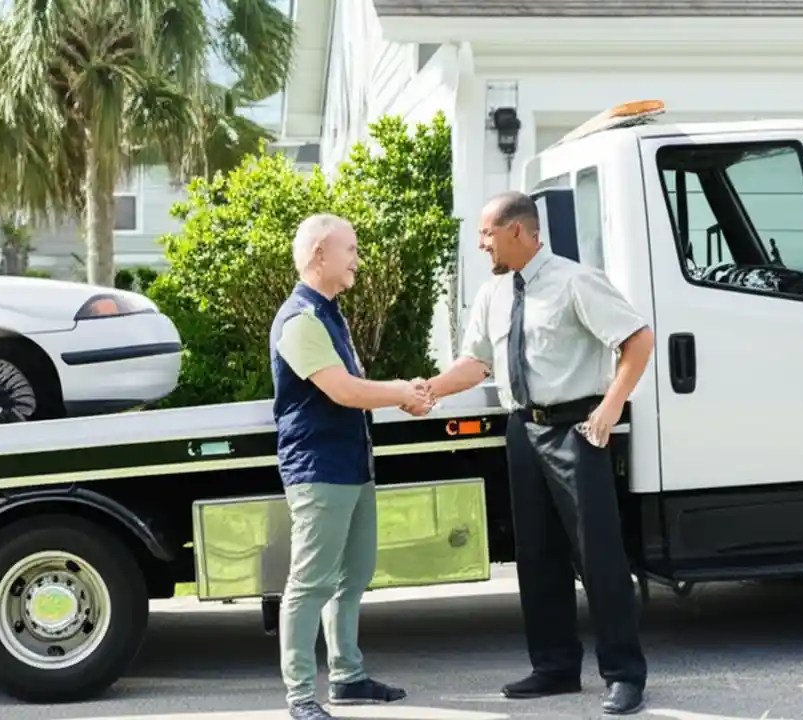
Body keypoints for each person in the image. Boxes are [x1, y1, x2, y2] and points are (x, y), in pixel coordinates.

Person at [421, 191, 654, 715]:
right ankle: (555, 668)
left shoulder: (576, 281)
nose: (481, 245)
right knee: (536, 554)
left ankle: (624, 674)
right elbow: (477, 363)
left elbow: (638, 340)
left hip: (576, 430)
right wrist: (429, 389)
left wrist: (611, 406)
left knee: (598, 556)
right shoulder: (493, 294)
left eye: (486, 234)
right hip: (522, 430)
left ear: (517, 231)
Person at [269, 213, 432, 720]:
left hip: (351, 466)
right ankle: (300, 696)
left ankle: (347, 677)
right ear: (320, 254)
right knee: (310, 583)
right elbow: (342, 390)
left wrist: (401, 394)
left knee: (352, 576)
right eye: (352, 250)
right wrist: (402, 392)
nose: (357, 259)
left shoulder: (329, 315)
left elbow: (352, 389)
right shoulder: (300, 319)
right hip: (319, 469)